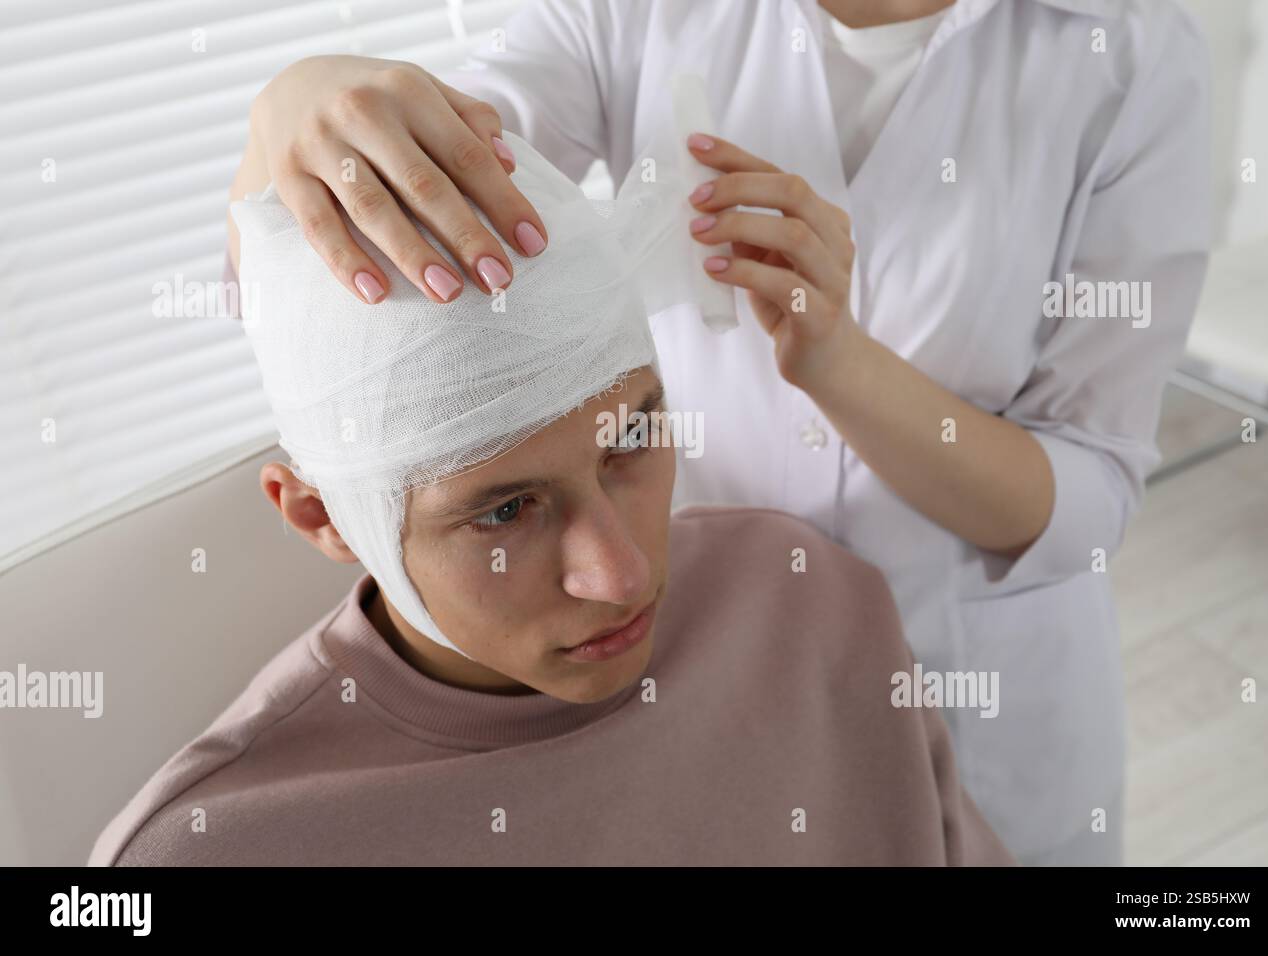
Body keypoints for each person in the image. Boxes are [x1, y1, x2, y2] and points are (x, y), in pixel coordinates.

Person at [223, 0, 1214, 863]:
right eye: (504, 507)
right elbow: (382, 249)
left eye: (630, 439)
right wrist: (296, 115)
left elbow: (1087, 498)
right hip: (708, 675)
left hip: (980, 679)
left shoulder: (1127, 52)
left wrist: (839, 363)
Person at [88, 130, 1015, 866]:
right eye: (504, 510)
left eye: (633, 442)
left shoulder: (809, 594)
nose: (621, 574)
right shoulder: (202, 854)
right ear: (321, 515)